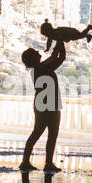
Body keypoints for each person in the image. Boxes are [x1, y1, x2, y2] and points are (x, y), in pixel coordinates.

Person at [19, 39, 65, 171]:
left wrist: (59, 42)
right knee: (52, 134)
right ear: (34, 58)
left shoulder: (39, 68)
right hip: (50, 104)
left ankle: (26, 161)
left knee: (37, 132)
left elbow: (57, 57)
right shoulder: (43, 67)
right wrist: (59, 39)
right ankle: (48, 163)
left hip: (41, 105)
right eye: (35, 52)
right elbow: (58, 57)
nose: (38, 51)